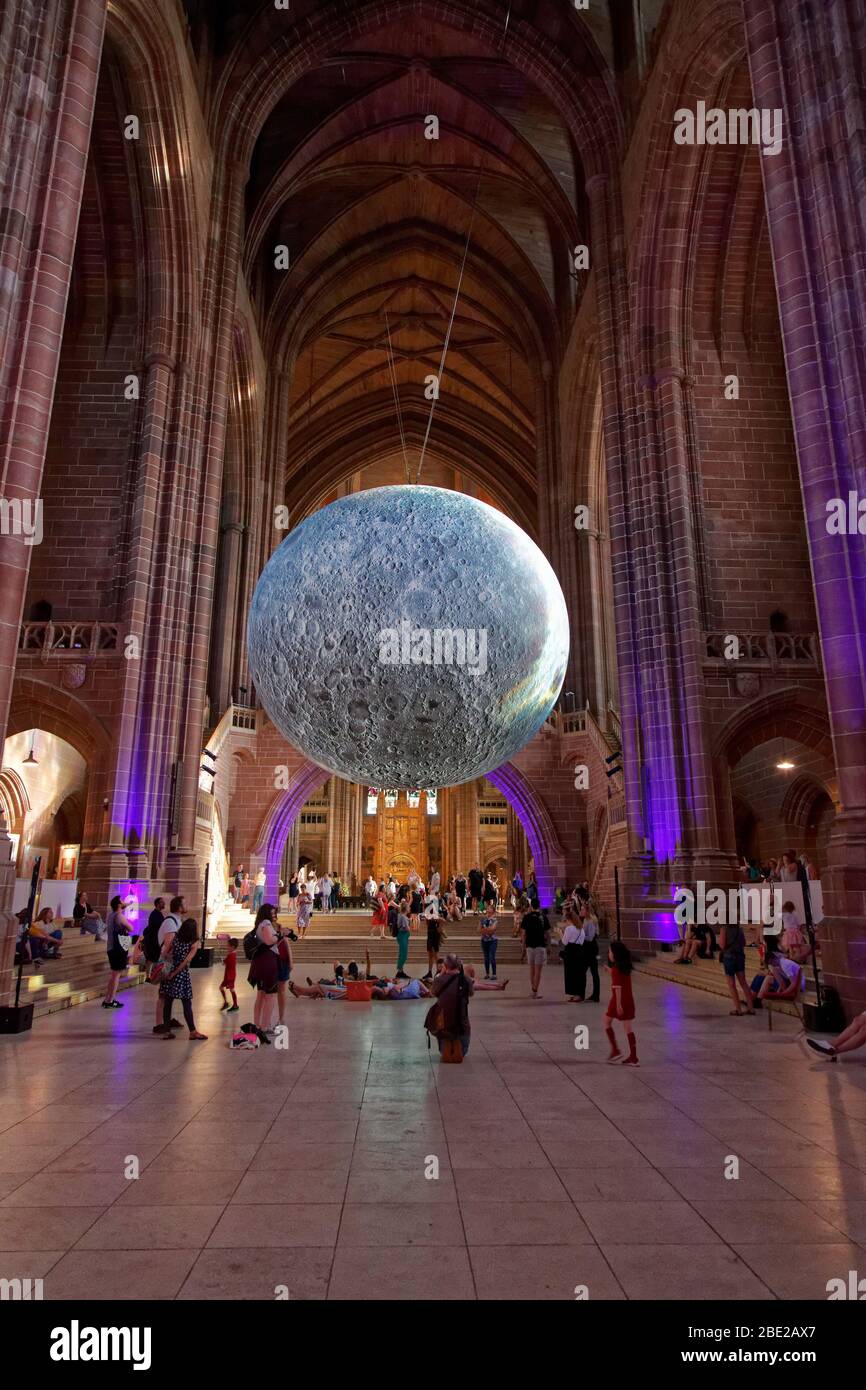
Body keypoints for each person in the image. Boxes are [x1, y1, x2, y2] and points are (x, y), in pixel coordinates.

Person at [160, 919, 207, 1041]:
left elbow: (165, 953)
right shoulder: (193, 942)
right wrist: (175, 973)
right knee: (186, 1002)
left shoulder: (175, 938)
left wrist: (168, 971)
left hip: (169, 971)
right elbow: (185, 962)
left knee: (168, 1002)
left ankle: (167, 1031)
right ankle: (192, 1031)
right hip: (181, 974)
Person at [427, 953, 474, 1059]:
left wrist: (440, 975)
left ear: (445, 966)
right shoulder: (466, 980)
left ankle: (447, 1045)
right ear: (459, 966)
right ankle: (459, 1045)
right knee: (463, 1052)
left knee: (445, 1051)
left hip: (444, 1025)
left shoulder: (439, 980)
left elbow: (432, 993)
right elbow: (471, 993)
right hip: (463, 1024)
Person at [248, 902, 280, 1039]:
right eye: (272, 913)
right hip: (267, 962)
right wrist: (279, 935)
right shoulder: (266, 924)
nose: (274, 915)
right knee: (270, 995)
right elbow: (269, 941)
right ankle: (266, 1026)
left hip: (260, 961)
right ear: (267, 913)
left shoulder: (260, 924)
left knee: (261, 995)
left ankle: (258, 1024)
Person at [153, 897, 185, 1033]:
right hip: (167, 962)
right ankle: (159, 1023)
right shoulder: (170, 923)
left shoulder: (176, 921)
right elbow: (169, 945)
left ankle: (168, 1018)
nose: (186, 906)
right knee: (163, 993)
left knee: (169, 993)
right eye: (184, 904)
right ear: (179, 907)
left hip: (172, 961)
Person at [604, 939, 638, 1066]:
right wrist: (610, 970)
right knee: (628, 1028)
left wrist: (618, 1005)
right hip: (629, 999)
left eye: (610, 952)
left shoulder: (617, 969)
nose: (609, 954)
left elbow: (617, 988)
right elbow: (618, 976)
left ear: (615, 954)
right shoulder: (624, 967)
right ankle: (633, 1056)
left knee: (606, 1021)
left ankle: (615, 1050)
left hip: (619, 1000)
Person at [102, 895, 135, 1008]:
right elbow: (131, 928)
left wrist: (128, 904)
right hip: (118, 949)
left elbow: (124, 906)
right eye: (122, 902)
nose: (124, 903)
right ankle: (111, 1000)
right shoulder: (119, 916)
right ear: (118, 905)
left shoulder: (111, 915)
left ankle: (107, 998)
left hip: (111, 947)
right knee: (116, 975)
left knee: (113, 975)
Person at [718, 918, 754, 1017]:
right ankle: (751, 1008)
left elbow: (722, 944)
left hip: (729, 956)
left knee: (732, 984)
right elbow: (744, 943)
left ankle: (738, 1009)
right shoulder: (740, 929)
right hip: (740, 956)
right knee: (743, 983)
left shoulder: (724, 929)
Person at [520, 902, 548, 998]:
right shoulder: (543, 917)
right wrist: (549, 946)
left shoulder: (526, 917)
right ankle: (535, 991)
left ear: (531, 906)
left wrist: (523, 947)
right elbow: (547, 933)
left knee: (531, 969)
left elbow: (523, 933)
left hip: (529, 946)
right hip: (540, 945)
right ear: (539, 906)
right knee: (538, 971)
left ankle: (533, 990)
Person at [560, 913, 585, 1001]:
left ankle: (575, 994)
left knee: (571, 974)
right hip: (580, 951)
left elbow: (564, 942)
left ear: (569, 920)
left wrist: (560, 933)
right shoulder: (581, 929)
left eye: (566, 920)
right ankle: (578, 994)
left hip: (570, 952)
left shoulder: (569, 928)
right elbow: (582, 941)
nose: (565, 922)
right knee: (578, 973)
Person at [276, 918, 293, 1025]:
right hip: (274, 963)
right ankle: (278, 1016)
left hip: (283, 963)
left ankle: (281, 1016)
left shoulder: (282, 937)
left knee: (281, 989)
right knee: (277, 991)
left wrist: (291, 962)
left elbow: (288, 948)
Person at [424, 904, 445, 980]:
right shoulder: (428, 914)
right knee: (430, 953)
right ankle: (430, 972)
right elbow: (427, 924)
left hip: (435, 935)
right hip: (430, 934)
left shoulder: (435, 915)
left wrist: (440, 928)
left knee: (435, 953)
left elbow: (443, 920)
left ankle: (438, 971)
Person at [219, 937, 239, 1011]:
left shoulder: (231, 955)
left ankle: (234, 1005)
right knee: (223, 988)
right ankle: (227, 1003)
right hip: (229, 975)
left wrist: (223, 961)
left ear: (232, 947)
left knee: (231, 989)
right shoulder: (232, 954)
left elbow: (225, 962)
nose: (227, 947)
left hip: (229, 976)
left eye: (228, 946)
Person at [479, 910, 499, 981]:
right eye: (487, 912)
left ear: (493, 913)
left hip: (493, 941)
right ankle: (487, 973)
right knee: (486, 958)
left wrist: (484, 929)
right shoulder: (482, 920)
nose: (488, 914)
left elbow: (492, 930)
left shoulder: (495, 920)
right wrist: (487, 930)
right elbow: (478, 929)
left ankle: (494, 974)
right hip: (484, 940)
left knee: (492, 957)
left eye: (490, 912)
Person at [394, 897, 411, 979]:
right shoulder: (403, 917)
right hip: (403, 935)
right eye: (408, 907)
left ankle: (401, 971)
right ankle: (399, 970)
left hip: (402, 936)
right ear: (406, 908)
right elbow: (406, 928)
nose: (409, 908)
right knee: (404, 955)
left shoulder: (400, 915)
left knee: (402, 954)